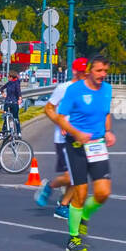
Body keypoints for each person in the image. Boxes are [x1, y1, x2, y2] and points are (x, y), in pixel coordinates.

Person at [53, 55, 116, 251]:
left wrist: (108, 131)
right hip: (76, 145)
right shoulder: (74, 90)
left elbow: (106, 113)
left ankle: (84, 217)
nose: (103, 75)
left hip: (97, 145)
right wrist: (76, 132)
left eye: (105, 71)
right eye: (99, 71)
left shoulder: (107, 89)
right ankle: (73, 239)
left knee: (103, 192)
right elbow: (61, 118)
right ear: (89, 71)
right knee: (80, 194)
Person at [36, 57, 87, 218]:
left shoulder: (87, 90)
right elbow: (48, 108)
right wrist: (61, 123)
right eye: (81, 71)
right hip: (63, 139)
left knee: (79, 176)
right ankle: (50, 188)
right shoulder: (63, 88)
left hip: (80, 138)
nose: (84, 74)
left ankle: (64, 204)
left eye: (86, 71)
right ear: (75, 71)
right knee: (71, 176)